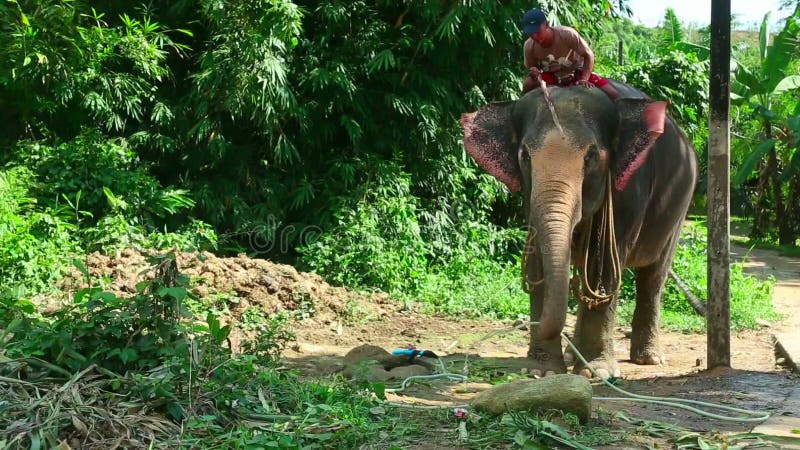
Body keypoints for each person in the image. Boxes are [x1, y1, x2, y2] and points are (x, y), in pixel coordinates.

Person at [520, 8, 619, 99]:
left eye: (537, 31)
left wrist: (584, 79)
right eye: (530, 33)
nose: (535, 36)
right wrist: (534, 72)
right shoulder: (529, 45)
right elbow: (532, 67)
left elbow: (589, 55)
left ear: (546, 24)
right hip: (551, 76)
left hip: (577, 73)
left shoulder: (567, 34)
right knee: (528, 84)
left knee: (613, 94)